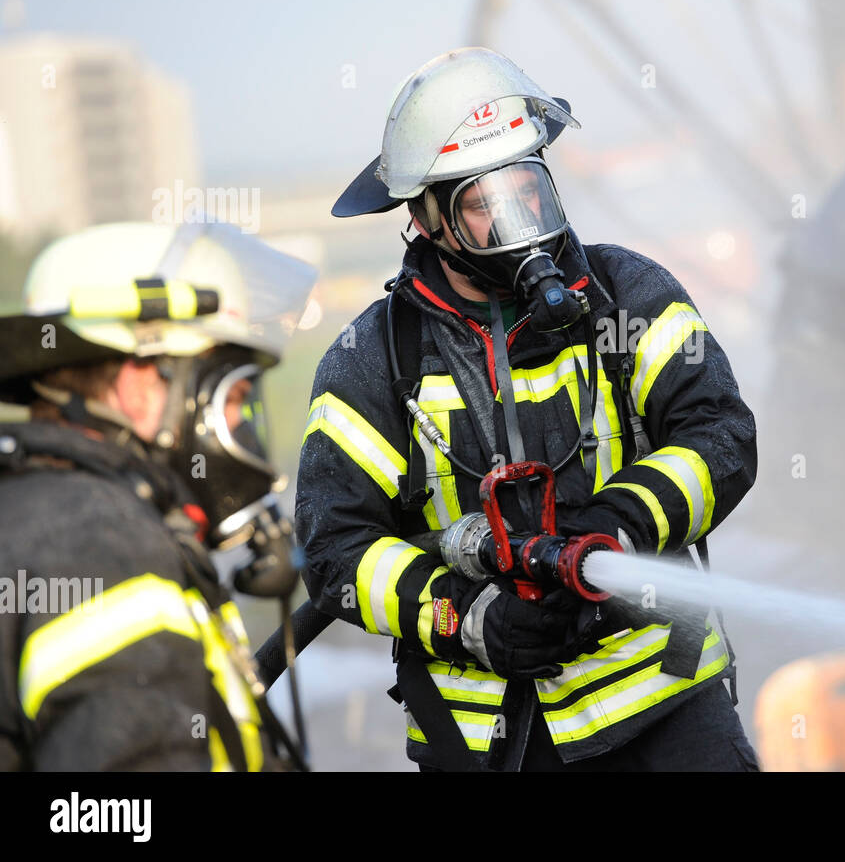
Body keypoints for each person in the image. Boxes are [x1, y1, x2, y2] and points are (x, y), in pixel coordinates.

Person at [297, 47, 760, 770]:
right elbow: (336, 551)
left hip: (666, 704)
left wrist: (620, 523)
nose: (520, 222)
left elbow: (722, 435)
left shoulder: (624, 294)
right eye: (483, 204)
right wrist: (468, 616)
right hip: (491, 740)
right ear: (426, 219)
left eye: (530, 189)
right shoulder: (371, 362)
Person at [0, 220, 317, 771]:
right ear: (139, 382)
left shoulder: (36, 512)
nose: (240, 427)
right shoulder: (98, 545)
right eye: (235, 399)